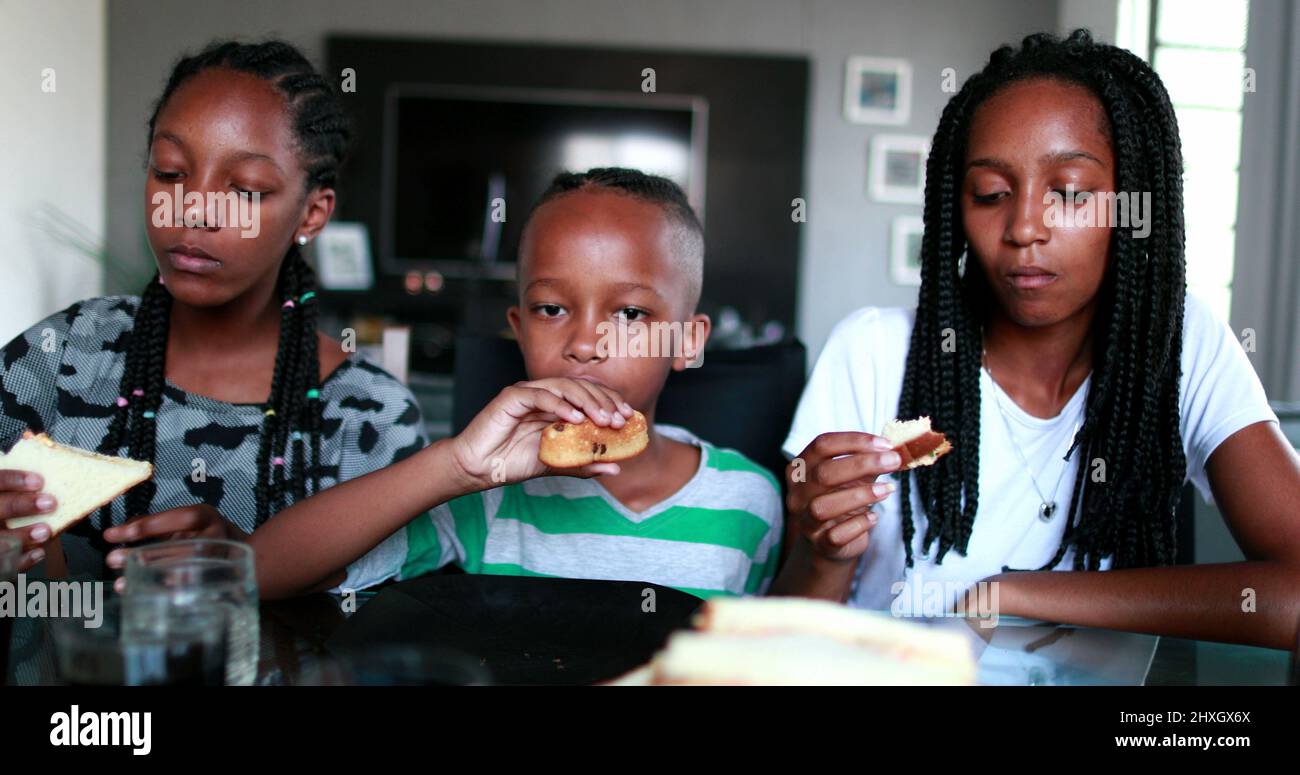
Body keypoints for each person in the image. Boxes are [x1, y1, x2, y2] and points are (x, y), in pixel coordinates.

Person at [772, 30, 1300, 650]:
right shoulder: (873, 353)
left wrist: (1012, 593)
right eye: (990, 194)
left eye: (1071, 193)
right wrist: (824, 553)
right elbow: (777, 646)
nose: (1024, 227)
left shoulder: (1179, 346)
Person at [250, 168, 784, 601]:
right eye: (551, 309)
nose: (584, 342)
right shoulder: (484, 496)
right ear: (519, 330)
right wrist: (454, 466)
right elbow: (262, 575)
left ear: (687, 341)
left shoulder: (747, 499)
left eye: (629, 313)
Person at [0, 40, 424, 578]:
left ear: (312, 214)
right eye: (171, 173)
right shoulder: (65, 353)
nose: (193, 210)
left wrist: (246, 565)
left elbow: (378, 633)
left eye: (245, 189)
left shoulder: (370, 417)